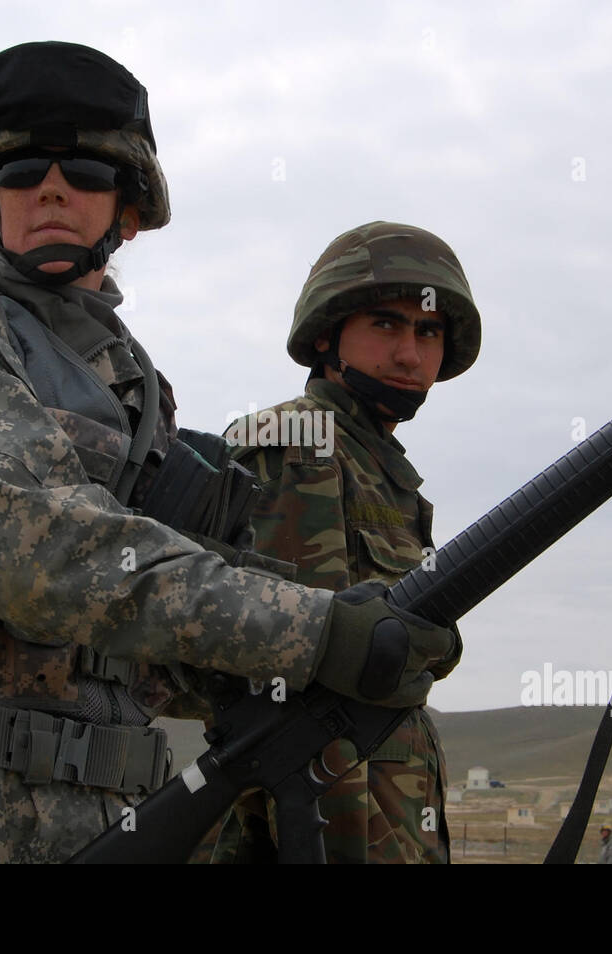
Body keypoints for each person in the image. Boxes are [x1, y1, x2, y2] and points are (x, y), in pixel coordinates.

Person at [0, 43, 456, 864]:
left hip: (118, 815)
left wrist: (365, 640)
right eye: (20, 170)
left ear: (130, 212)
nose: (51, 189)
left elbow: (176, 620)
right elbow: (40, 552)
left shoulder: (134, 389)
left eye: (86, 174)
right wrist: (317, 631)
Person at [210, 221, 481, 864]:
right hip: (336, 811)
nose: (411, 354)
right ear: (327, 336)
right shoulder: (299, 445)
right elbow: (294, 677)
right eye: (386, 325)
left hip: (381, 798)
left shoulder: (380, 468)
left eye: (429, 332)